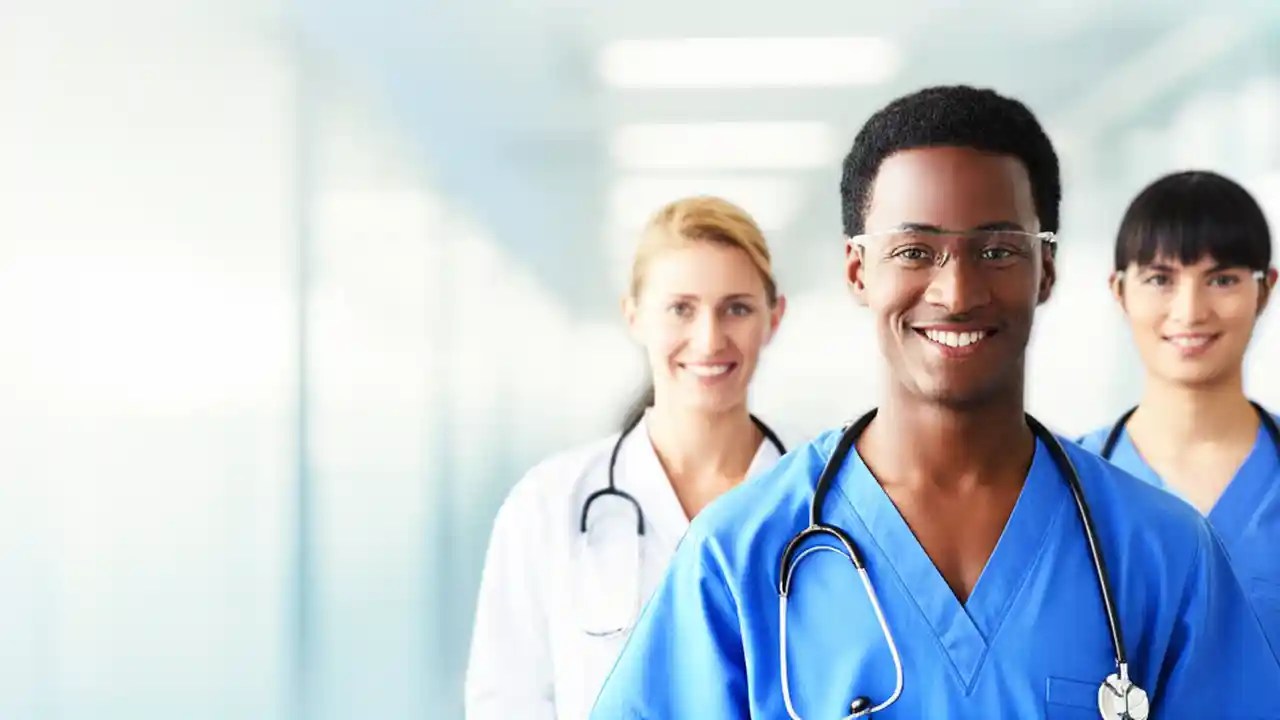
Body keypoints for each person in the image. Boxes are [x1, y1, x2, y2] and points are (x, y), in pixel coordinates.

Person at [591, 86, 1280, 719]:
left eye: (998, 250)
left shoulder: (1161, 554)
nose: (955, 292)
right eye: (916, 251)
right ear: (859, 270)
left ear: (1048, 271)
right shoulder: (741, 555)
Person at [464, 196, 789, 720]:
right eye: (681, 308)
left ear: (773, 318)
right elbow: (507, 701)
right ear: (634, 316)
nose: (709, 338)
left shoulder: (822, 512)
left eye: (737, 308)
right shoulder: (549, 504)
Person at [1077, 170, 1280, 652]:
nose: (1190, 311)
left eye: (1222, 279)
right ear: (1119, 290)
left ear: (1265, 290)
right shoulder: (1069, 485)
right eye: (1160, 279)